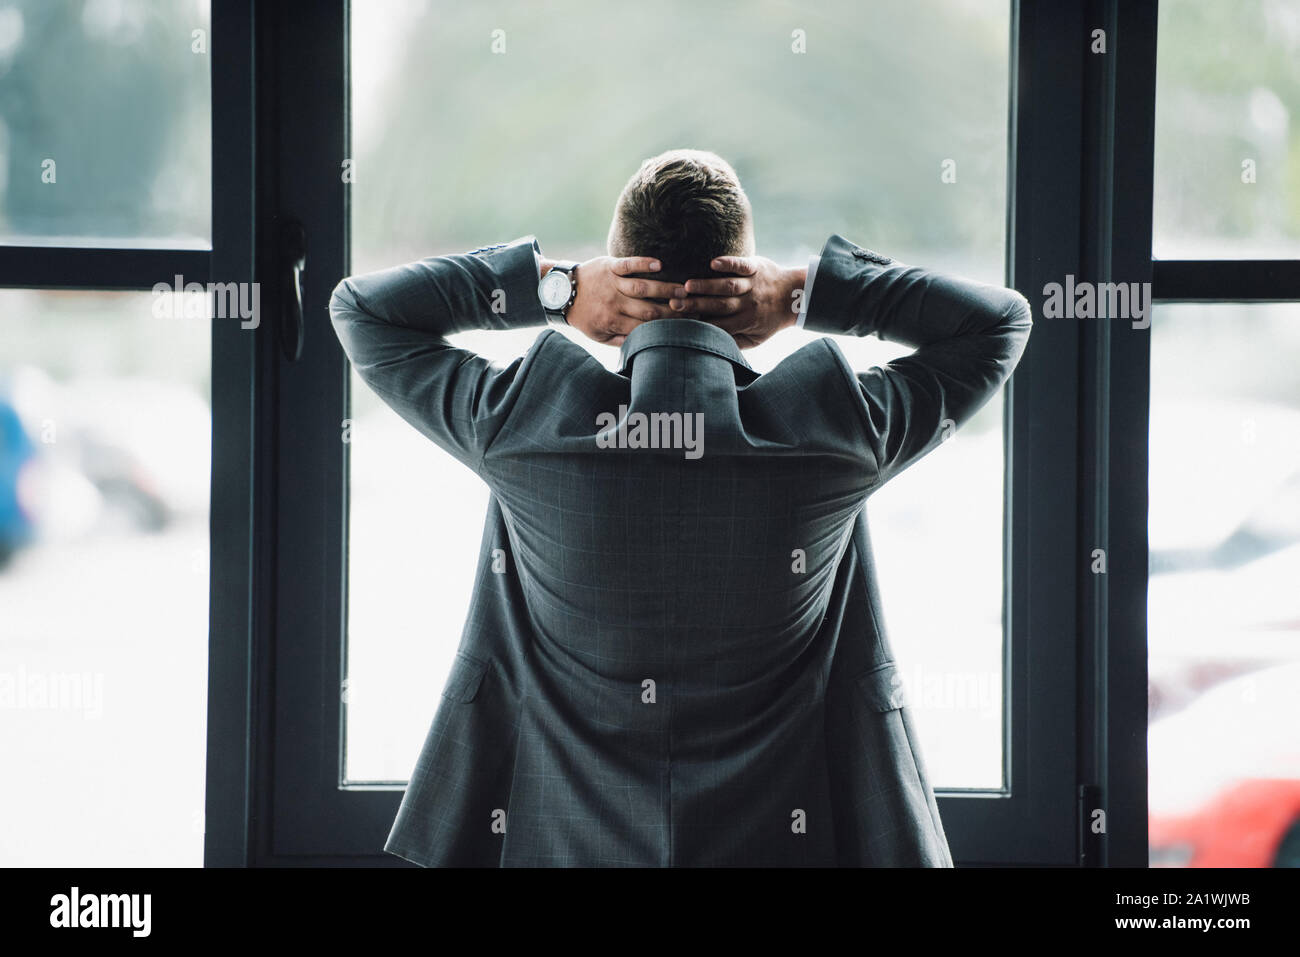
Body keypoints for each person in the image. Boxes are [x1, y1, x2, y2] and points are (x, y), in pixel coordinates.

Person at [329, 148, 1032, 867]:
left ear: (618, 275)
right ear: (743, 277)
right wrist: (802, 295)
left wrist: (554, 289)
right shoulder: (831, 430)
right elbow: (998, 325)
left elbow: (363, 310)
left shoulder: (527, 424)